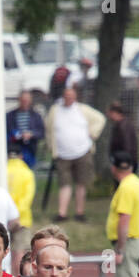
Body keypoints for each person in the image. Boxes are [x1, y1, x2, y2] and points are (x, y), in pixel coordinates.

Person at [46, 85, 106, 223]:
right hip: (62, 154)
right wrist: (51, 147)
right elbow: (48, 130)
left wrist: (93, 133)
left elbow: (100, 119)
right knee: (64, 184)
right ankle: (62, 213)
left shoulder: (82, 109)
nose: (69, 99)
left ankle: (80, 212)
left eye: (72, 97)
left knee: (81, 183)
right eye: (67, 97)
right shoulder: (55, 111)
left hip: (82, 152)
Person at [107, 151, 139, 277]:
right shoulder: (138, 184)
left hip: (129, 244)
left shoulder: (125, 188)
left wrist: (120, 249)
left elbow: (124, 219)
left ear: (114, 168)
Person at [0, 147, 36, 265]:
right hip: (22, 219)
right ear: (21, 156)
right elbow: (28, 197)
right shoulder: (27, 173)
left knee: (0, 251)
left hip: (2, 219)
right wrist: (17, 214)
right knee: (21, 251)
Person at [6, 90, 45, 167]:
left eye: (27, 100)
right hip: (14, 150)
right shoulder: (10, 116)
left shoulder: (36, 116)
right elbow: (8, 131)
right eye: (23, 100)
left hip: (30, 150)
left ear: (30, 101)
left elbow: (41, 132)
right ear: (19, 100)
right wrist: (17, 135)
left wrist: (31, 134)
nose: (25, 102)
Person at [107, 101, 139, 174]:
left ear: (115, 113)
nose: (108, 115)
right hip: (122, 162)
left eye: (109, 113)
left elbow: (127, 146)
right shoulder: (120, 125)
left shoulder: (123, 126)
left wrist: (124, 164)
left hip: (125, 164)